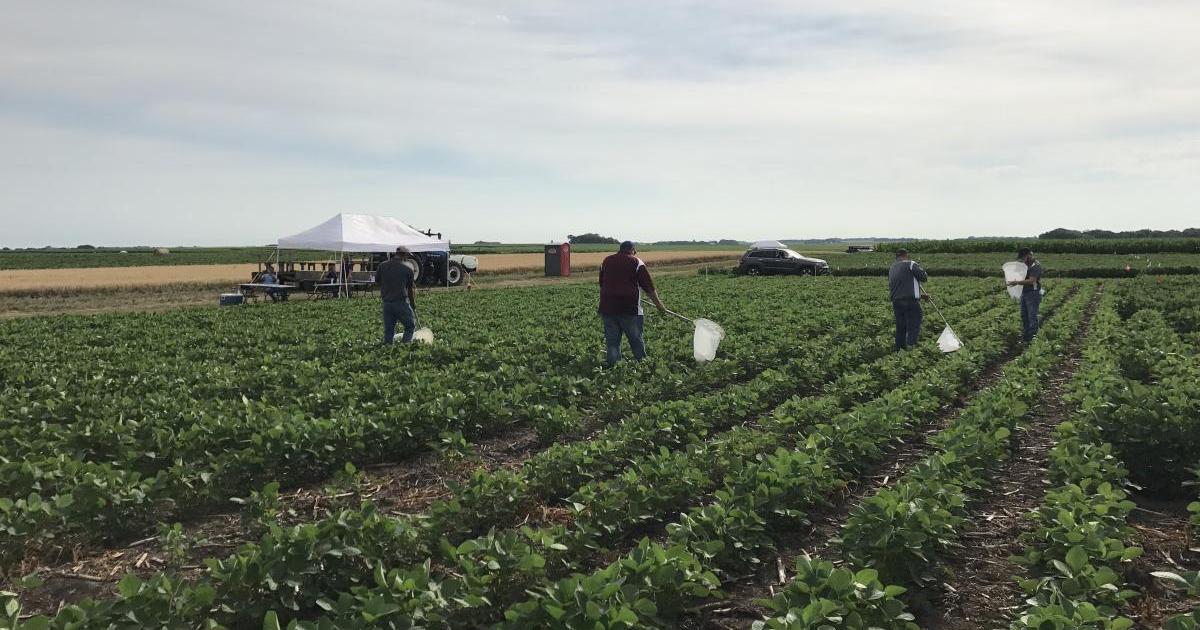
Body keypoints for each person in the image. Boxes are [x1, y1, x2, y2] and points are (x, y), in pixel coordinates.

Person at [598, 241, 666, 365]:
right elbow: (648, 287)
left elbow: (602, 283)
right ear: (632, 250)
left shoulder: (606, 261)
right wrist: (659, 305)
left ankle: (613, 365)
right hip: (629, 308)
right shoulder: (636, 262)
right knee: (635, 339)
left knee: (612, 341)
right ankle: (642, 364)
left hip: (607, 307)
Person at [888, 249, 928, 350]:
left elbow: (901, 288)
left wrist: (921, 296)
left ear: (897, 257)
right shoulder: (911, 264)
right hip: (910, 301)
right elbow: (924, 277)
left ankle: (899, 350)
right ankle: (911, 346)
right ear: (906, 255)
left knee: (901, 327)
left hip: (896, 301)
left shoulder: (892, 268)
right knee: (914, 322)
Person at [376, 246, 417, 344]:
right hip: (401, 303)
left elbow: (377, 281)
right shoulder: (408, 269)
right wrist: (413, 304)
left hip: (387, 303)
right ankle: (405, 345)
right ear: (404, 255)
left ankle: (387, 349)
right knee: (410, 326)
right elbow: (410, 290)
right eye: (407, 256)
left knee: (389, 330)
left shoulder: (382, 265)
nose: (407, 258)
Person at [1008, 247, 1044, 342]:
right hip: (1025, 292)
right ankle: (1026, 335)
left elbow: (1032, 280)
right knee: (1024, 315)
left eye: (1023, 257)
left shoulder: (1035, 265)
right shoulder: (1024, 265)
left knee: (1032, 315)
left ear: (1028, 255)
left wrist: (1017, 282)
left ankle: (1032, 337)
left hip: (1033, 293)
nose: (1022, 259)